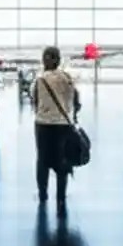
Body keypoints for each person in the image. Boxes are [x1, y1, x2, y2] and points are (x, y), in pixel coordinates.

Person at [33, 46, 79, 215]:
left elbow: (35, 100)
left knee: (42, 160)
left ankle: (43, 194)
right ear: (59, 60)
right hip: (62, 124)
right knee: (62, 161)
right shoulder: (67, 78)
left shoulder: (40, 79)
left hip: (43, 124)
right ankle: (61, 196)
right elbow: (74, 100)